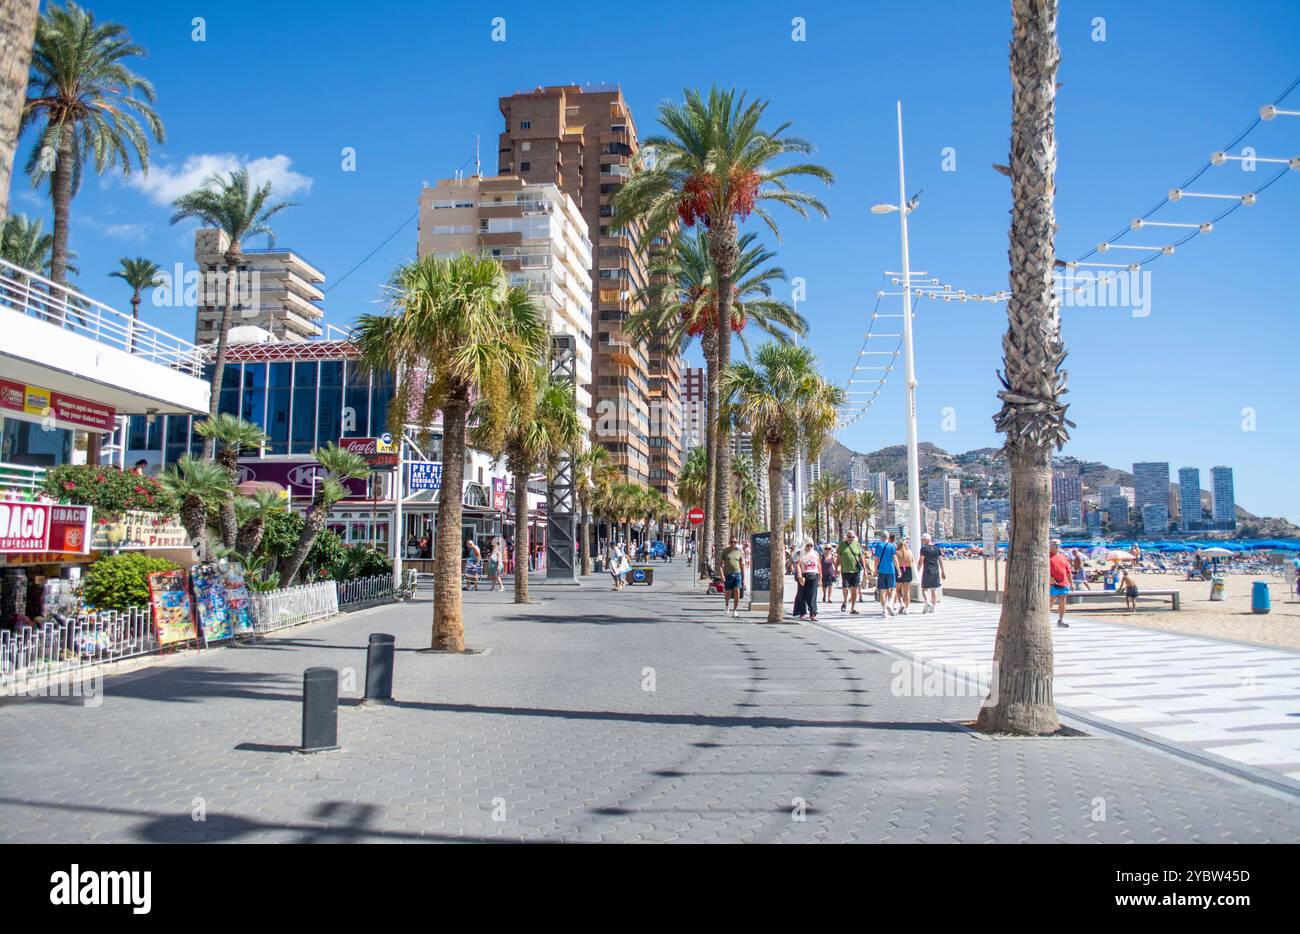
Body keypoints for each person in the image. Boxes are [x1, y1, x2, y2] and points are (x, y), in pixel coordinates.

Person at [837, 530, 865, 614]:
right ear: (846, 536)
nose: (851, 539)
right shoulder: (841, 545)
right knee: (845, 588)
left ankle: (852, 608)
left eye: (853, 537)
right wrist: (835, 569)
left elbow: (861, 557)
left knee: (854, 589)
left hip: (855, 571)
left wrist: (865, 570)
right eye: (849, 537)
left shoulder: (857, 545)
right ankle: (845, 601)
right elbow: (838, 558)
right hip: (845, 570)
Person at [792, 540, 820, 621]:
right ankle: (802, 612)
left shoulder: (815, 553)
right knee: (801, 595)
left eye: (811, 545)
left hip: (814, 575)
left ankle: (813, 613)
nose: (809, 547)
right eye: (807, 545)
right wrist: (800, 576)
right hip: (804, 575)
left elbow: (819, 565)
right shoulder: (800, 553)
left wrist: (820, 577)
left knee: (812, 595)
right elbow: (797, 565)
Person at [918, 533, 945, 614]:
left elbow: (921, 560)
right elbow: (940, 561)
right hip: (936, 571)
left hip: (927, 570)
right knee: (934, 590)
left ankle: (927, 602)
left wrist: (917, 570)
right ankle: (934, 607)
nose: (922, 541)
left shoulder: (924, 549)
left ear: (927, 540)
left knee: (924, 589)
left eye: (922, 540)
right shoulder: (937, 548)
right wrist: (943, 571)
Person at [1049, 538, 1072, 628]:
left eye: (1058, 545)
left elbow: (1068, 571)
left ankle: (1061, 620)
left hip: (1063, 583)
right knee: (1051, 601)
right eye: (1055, 545)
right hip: (1052, 583)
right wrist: (1049, 578)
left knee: (1063, 601)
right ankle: (1046, 619)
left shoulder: (1063, 557)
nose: (1057, 547)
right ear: (1050, 546)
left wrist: (1071, 583)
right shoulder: (1047, 556)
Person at [876, 532, 899, 616]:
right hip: (891, 571)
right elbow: (895, 559)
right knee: (892, 588)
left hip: (881, 571)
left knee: (882, 590)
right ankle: (890, 603)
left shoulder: (878, 546)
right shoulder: (891, 546)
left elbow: (877, 559)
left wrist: (875, 569)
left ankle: (884, 610)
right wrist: (899, 570)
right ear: (888, 537)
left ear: (881, 537)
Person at [895, 537, 915, 615]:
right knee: (907, 592)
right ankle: (907, 609)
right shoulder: (909, 552)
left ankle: (901, 603)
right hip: (907, 570)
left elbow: (894, 562)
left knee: (898, 590)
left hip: (899, 570)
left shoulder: (896, 552)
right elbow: (912, 561)